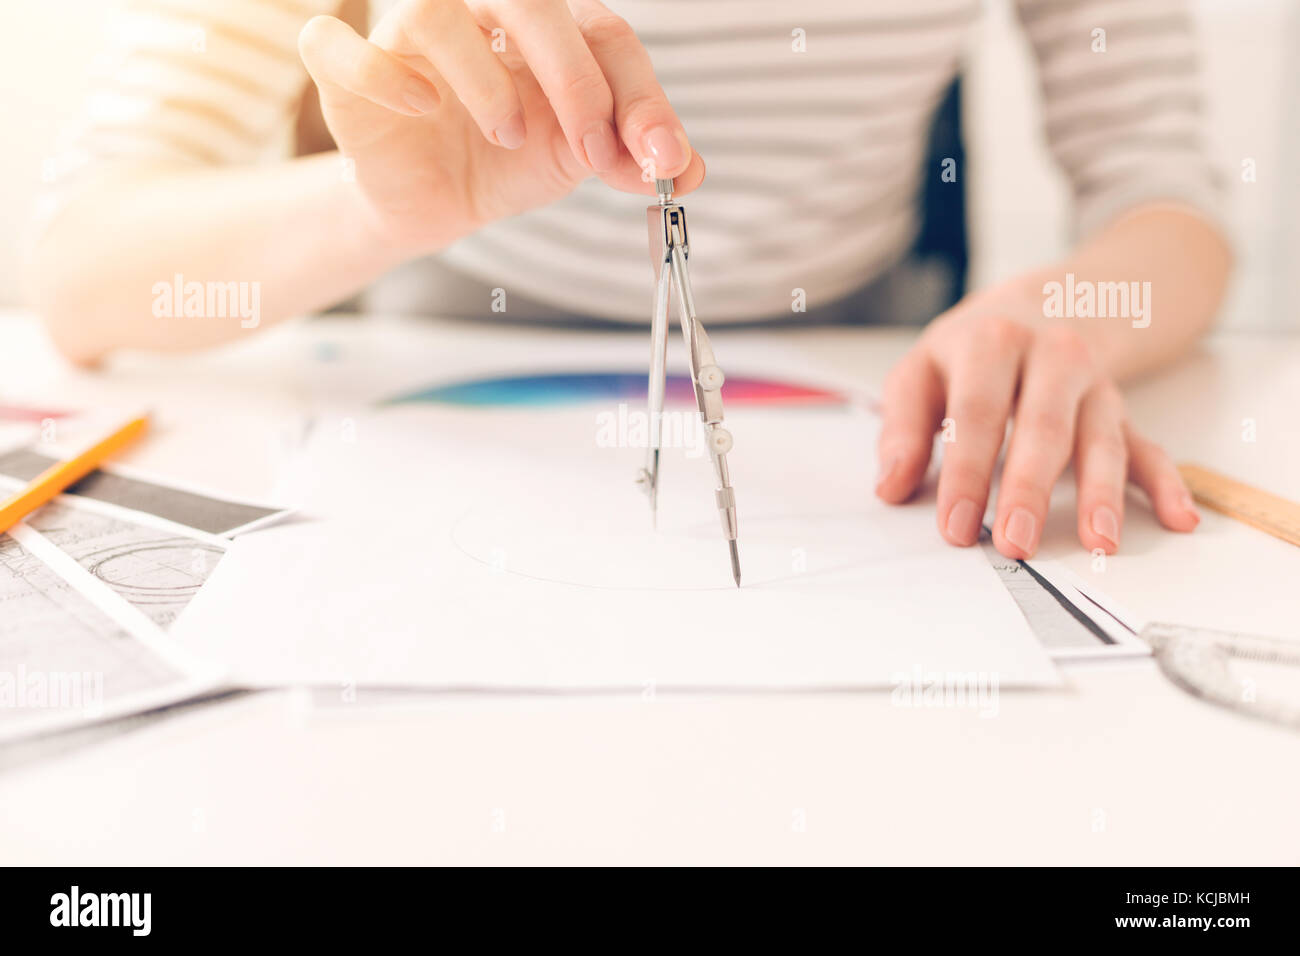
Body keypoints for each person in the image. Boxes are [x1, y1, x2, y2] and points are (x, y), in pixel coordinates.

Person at [27, 0, 1231, 560]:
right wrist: (374, 201)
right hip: (435, 383)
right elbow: (81, 267)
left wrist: (1060, 309)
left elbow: (1168, 202)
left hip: (864, 390)